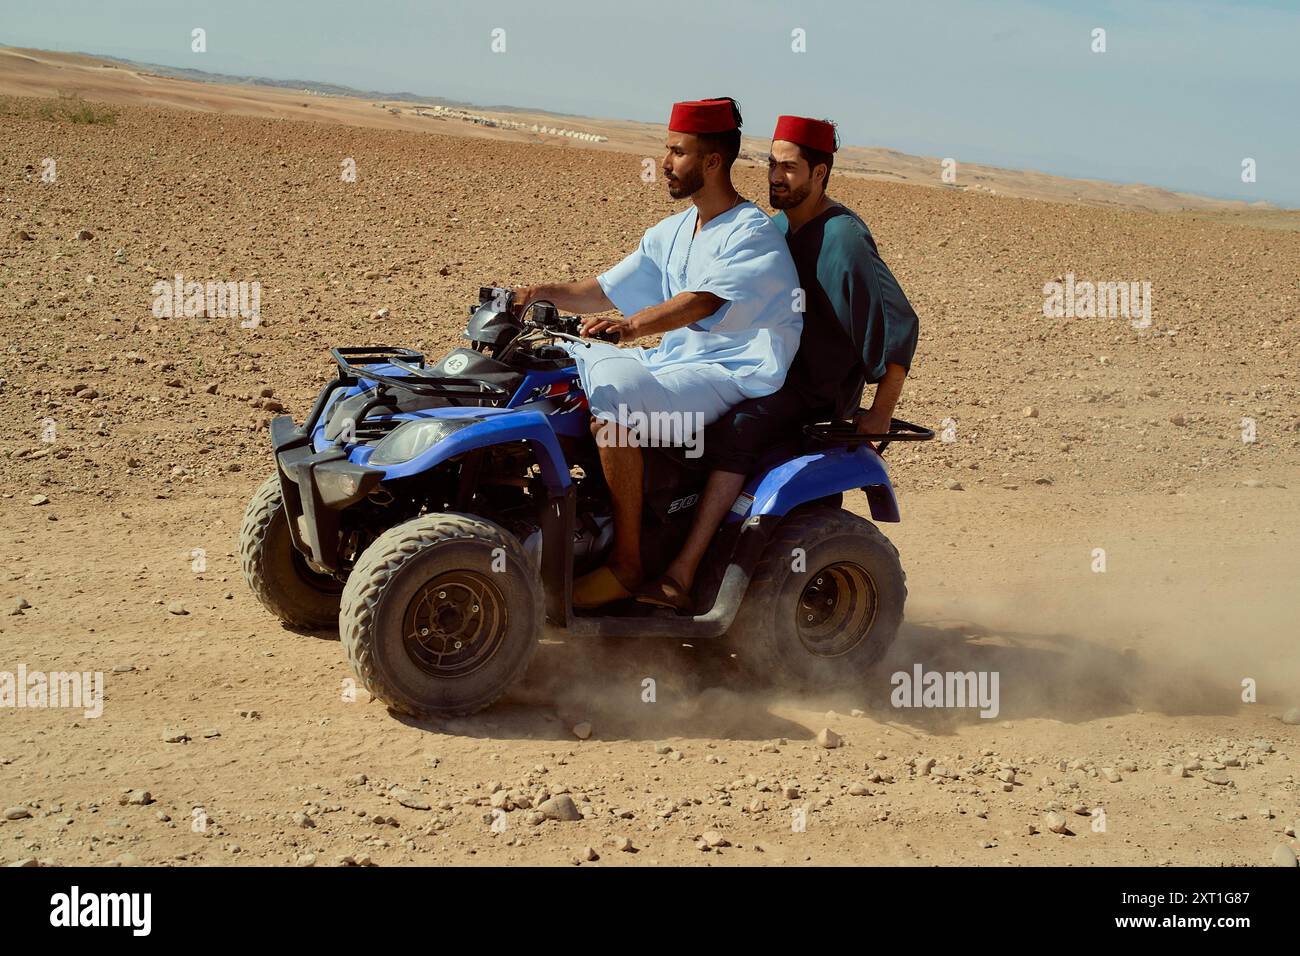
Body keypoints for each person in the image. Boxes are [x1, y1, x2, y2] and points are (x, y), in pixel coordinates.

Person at [512, 98, 801, 608]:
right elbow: (604, 290)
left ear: (712, 161)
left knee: (616, 398)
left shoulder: (751, 234)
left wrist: (631, 327)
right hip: (675, 362)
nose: (664, 163)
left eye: (676, 152)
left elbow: (702, 301)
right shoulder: (671, 232)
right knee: (557, 380)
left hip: (730, 370)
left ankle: (626, 562)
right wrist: (537, 293)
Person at [637, 114, 920, 612]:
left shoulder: (844, 240)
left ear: (820, 174)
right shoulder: (778, 226)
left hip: (811, 388)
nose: (775, 177)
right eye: (771, 164)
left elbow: (898, 323)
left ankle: (683, 571)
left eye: (789, 168)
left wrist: (878, 414)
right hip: (762, 364)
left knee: (739, 428)